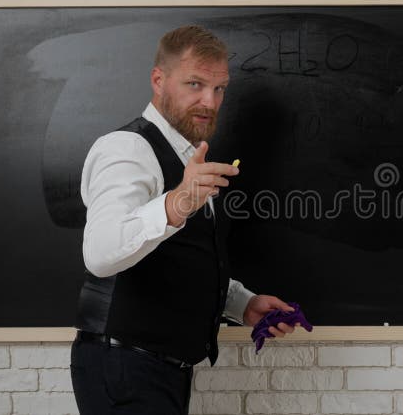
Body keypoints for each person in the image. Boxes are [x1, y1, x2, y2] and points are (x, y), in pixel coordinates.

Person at [70, 25, 298, 415]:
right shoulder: (126, 149)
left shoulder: (190, 160)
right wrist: (176, 204)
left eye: (219, 88)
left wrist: (243, 304)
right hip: (125, 370)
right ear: (159, 80)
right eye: (195, 84)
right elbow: (100, 254)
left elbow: (181, 261)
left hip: (158, 371)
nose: (209, 102)